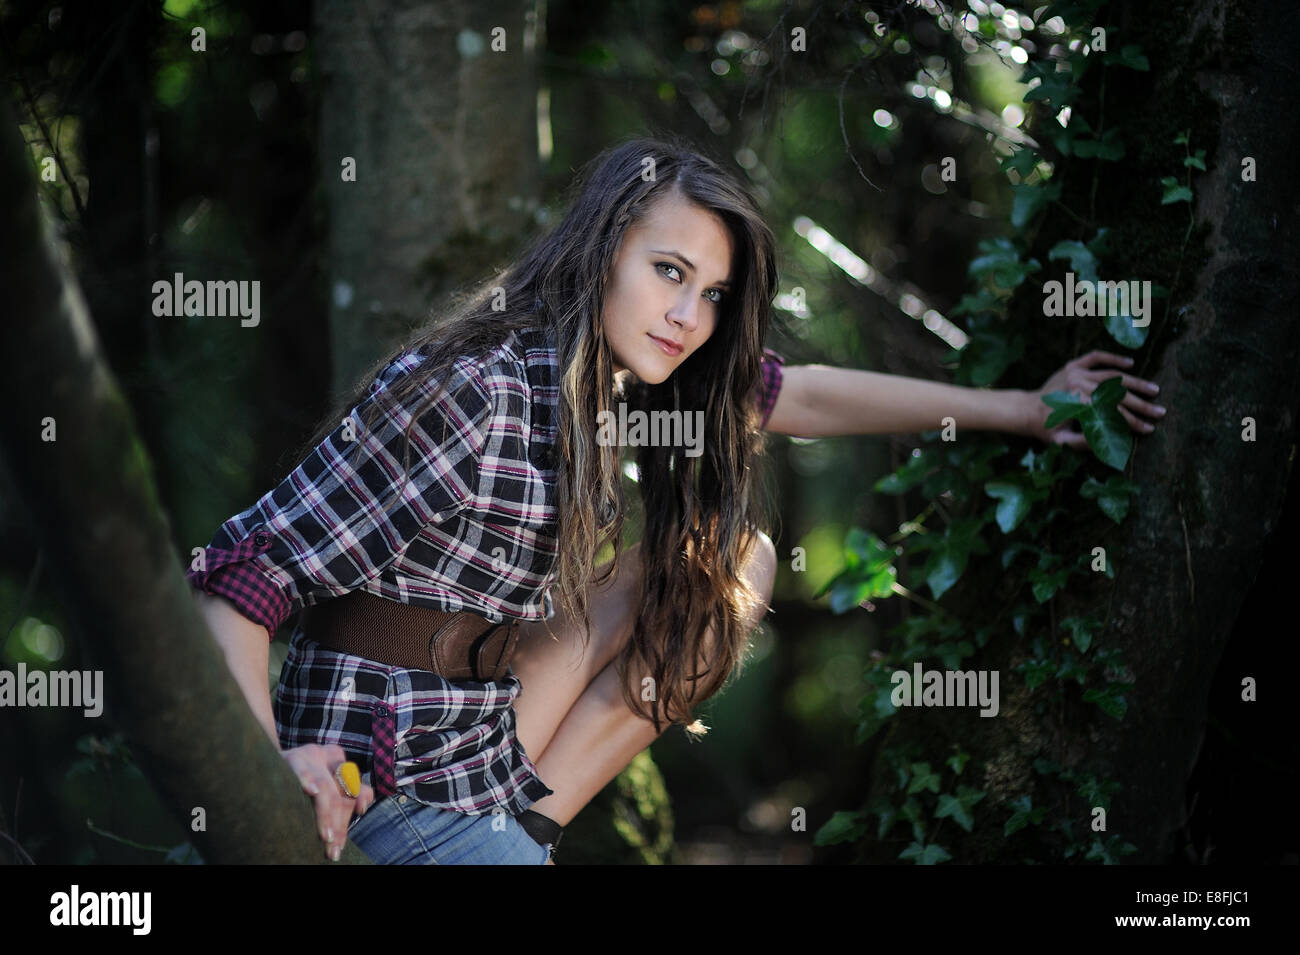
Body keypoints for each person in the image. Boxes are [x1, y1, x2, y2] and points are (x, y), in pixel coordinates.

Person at [188, 135, 1166, 865]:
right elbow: (239, 578)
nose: (688, 315)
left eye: (711, 292)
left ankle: (527, 831)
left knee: (732, 563)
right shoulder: (469, 390)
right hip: (376, 782)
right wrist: (272, 776)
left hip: (480, 749)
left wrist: (1026, 409)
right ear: (601, 249)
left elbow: (807, 394)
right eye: (668, 272)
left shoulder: (621, 385)